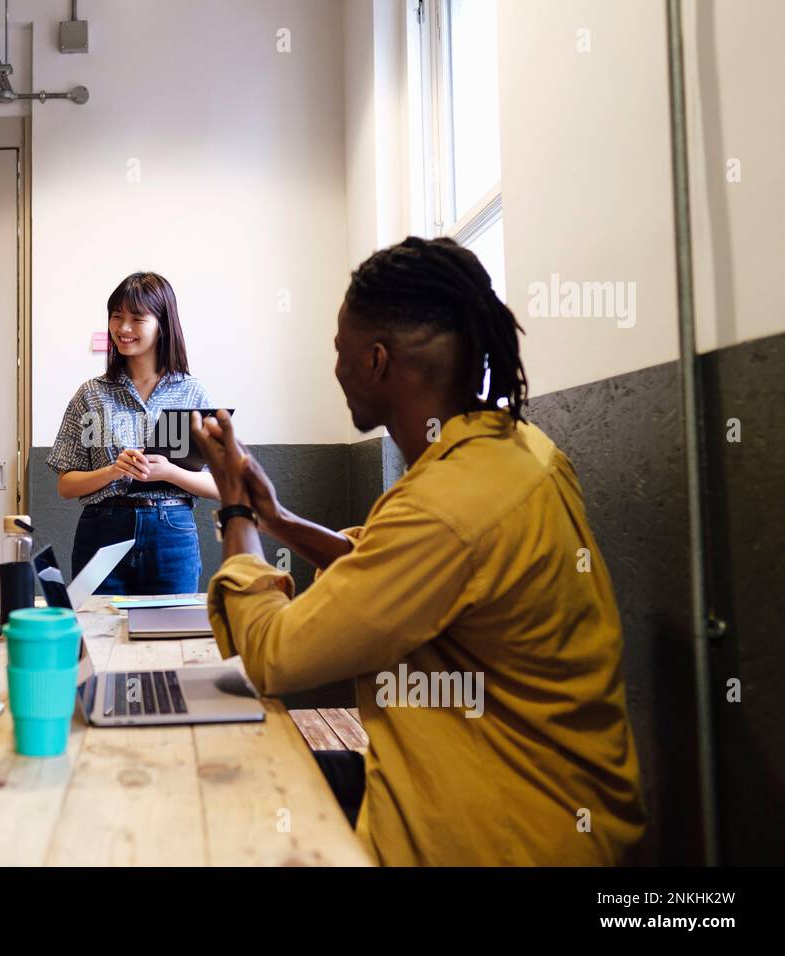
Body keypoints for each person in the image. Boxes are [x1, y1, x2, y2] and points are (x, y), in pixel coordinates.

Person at [190, 236, 647, 865]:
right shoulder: (516, 452)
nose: (335, 371)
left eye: (339, 354)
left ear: (377, 362)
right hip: (563, 814)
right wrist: (279, 518)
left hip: (506, 838)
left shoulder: (444, 505)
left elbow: (269, 657)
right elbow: (392, 569)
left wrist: (235, 509)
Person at [47, 272, 219, 595]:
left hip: (172, 532)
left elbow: (221, 484)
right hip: (102, 529)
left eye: (136, 318)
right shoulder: (91, 394)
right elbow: (65, 486)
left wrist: (170, 472)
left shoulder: (192, 394)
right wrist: (113, 471)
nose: (123, 329)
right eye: (116, 317)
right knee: (98, 631)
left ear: (162, 324)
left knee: (172, 636)